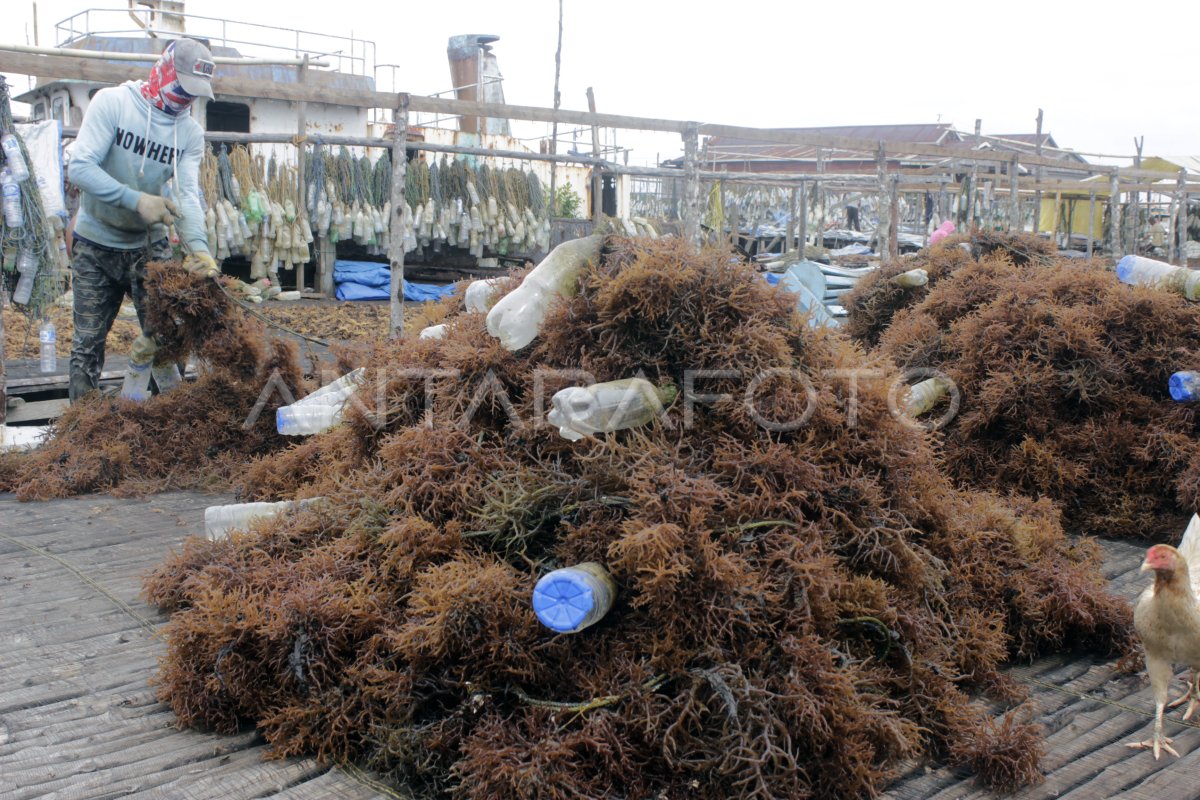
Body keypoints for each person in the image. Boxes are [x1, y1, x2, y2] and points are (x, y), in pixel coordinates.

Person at [66, 37, 219, 402]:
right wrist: (135, 200)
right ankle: (78, 422)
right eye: (183, 88)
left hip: (149, 247)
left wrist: (199, 248)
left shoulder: (189, 133)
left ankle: (167, 415)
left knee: (167, 337)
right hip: (96, 243)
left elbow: (187, 194)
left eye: (194, 94)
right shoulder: (113, 103)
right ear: (164, 72)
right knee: (88, 342)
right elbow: (80, 168)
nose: (186, 99)